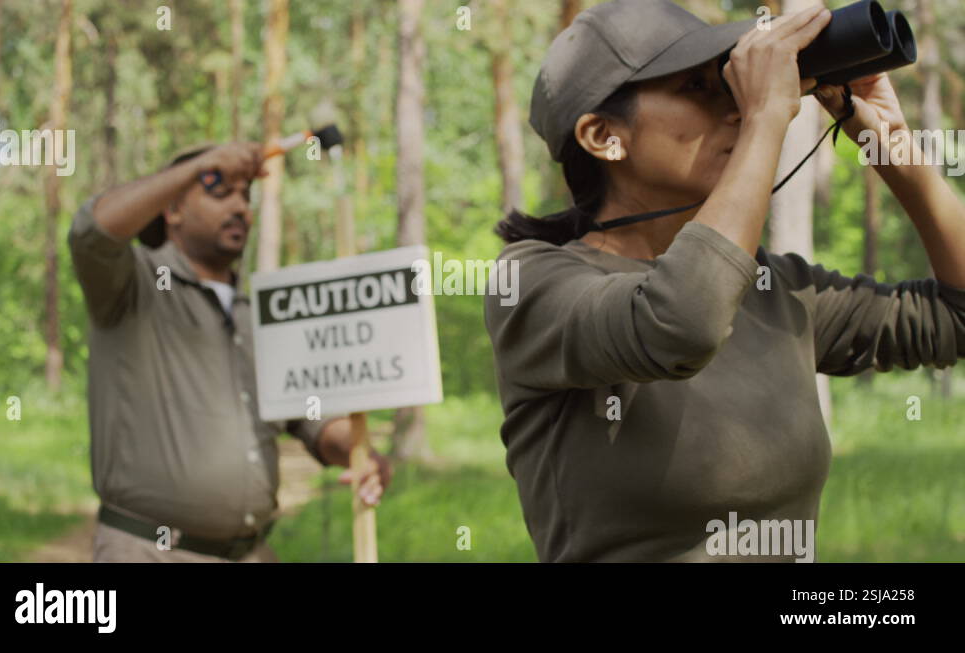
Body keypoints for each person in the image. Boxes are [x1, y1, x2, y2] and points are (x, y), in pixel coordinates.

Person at [484, 0, 965, 562]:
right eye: (698, 88)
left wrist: (895, 152)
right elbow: (679, 323)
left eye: (731, 86)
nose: (736, 109)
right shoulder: (532, 284)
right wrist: (765, 118)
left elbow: (957, 319)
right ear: (602, 135)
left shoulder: (773, 289)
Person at [68, 142, 391, 562]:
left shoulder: (258, 315)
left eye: (246, 196)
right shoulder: (134, 286)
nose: (240, 206)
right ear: (173, 211)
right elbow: (91, 232)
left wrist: (360, 450)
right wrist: (199, 165)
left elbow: (312, 418)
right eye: (220, 192)